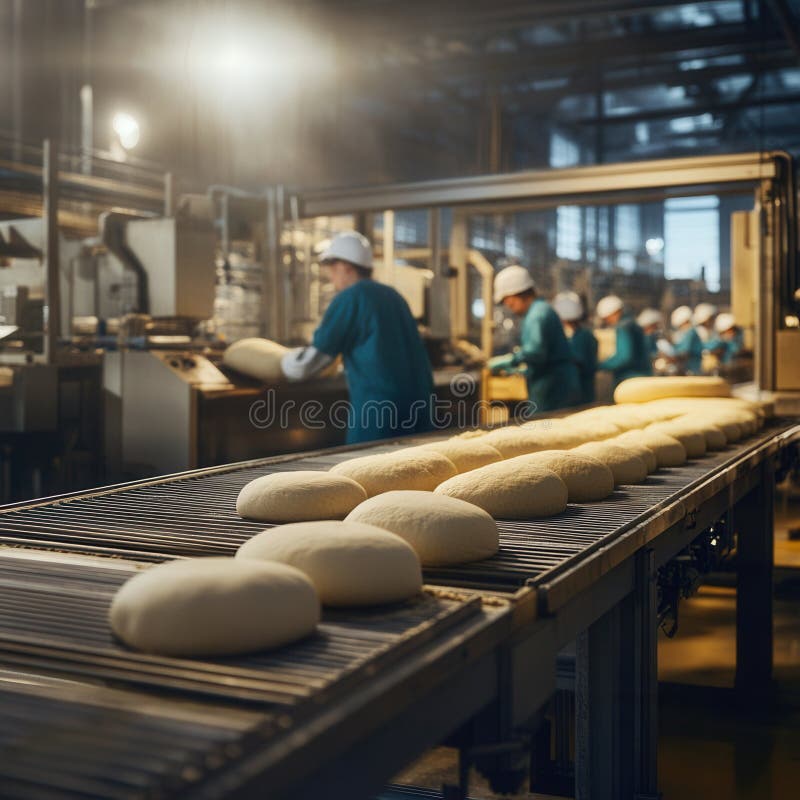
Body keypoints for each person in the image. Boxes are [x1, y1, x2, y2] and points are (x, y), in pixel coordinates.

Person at [281, 231, 434, 444]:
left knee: (369, 474)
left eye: (332, 271)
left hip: (379, 417)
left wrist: (280, 361)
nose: (332, 280)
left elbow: (305, 366)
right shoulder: (394, 296)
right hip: (419, 411)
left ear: (345, 266)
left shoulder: (351, 298)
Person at [488, 265, 579, 412]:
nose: (508, 306)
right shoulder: (540, 309)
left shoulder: (537, 314)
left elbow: (535, 352)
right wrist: (520, 370)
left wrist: (511, 360)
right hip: (555, 381)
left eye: (508, 301)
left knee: (545, 428)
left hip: (551, 385)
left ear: (518, 294)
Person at [595, 295, 652, 387]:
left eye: (606, 318)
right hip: (643, 376)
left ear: (615, 312)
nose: (607, 322)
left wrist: (600, 366)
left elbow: (623, 357)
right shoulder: (634, 324)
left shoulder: (623, 328)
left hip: (630, 379)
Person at [553, 290, 598, 405]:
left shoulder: (582, 336)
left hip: (581, 387)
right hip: (583, 387)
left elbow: (580, 360)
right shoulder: (584, 334)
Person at [670, 305, 704, 374]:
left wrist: (672, 358)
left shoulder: (690, 332)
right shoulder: (689, 333)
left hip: (693, 370)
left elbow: (684, 352)